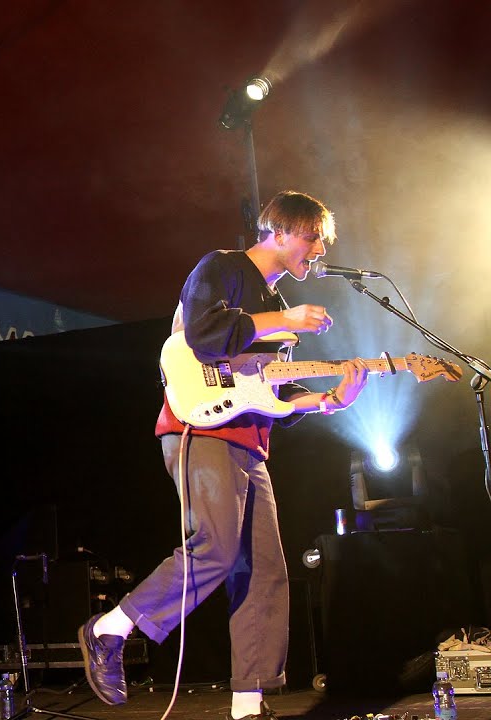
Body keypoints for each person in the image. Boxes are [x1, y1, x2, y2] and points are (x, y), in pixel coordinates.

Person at [78, 191, 372, 720]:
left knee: (264, 571)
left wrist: (331, 399)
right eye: (312, 237)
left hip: (249, 442)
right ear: (279, 231)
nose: (317, 249)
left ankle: (248, 703)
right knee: (214, 545)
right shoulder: (223, 268)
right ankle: (108, 630)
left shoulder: (281, 316)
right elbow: (206, 334)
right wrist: (284, 320)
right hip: (201, 430)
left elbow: (271, 396)